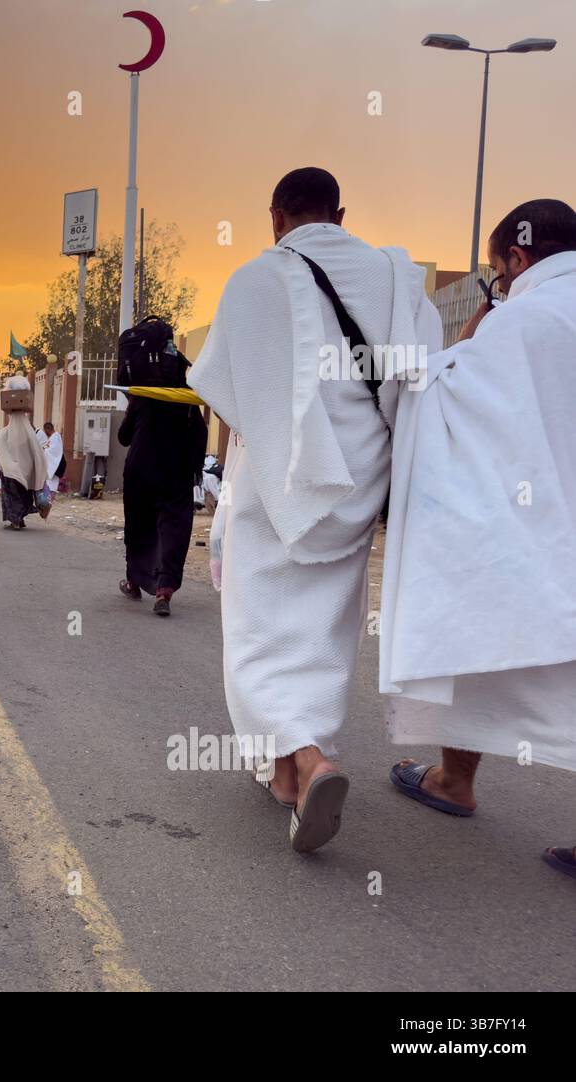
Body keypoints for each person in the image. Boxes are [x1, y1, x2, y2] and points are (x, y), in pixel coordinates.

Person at [188, 166, 442, 853]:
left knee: (258, 621)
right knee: (324, 623)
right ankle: (286, 774)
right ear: (342, 212)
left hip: (274, 480)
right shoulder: (394, 276)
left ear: (275, 216)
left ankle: (305, 757)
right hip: (360, 482)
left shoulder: (251, 280)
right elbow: (423, 377)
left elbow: (220, 387)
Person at [378, 199, 576, 880]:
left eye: (497, 272)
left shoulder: (520, 319)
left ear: (518, 260)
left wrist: (471, 332)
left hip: (538, 537)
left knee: (479, 627)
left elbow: (440, 395)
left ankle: (453, 782)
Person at [116, 322, 207, 616]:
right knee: (174, 528)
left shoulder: (144, 393)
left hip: (141, 468)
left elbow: (124, 437)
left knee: (139, 524)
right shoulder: (186, 391)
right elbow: (200, 432)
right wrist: (194, 466)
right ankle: (164, 590)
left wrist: (135, 404)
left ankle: (133, 581)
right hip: (177, 469)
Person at [0, 377, 46, 529]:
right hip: (26, 470)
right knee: (24, 494)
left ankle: (15, 521)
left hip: (11, 470)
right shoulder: (29, 430)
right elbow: (37, 452)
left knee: (12, 495)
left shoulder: (7, 431)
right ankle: (20, 520)